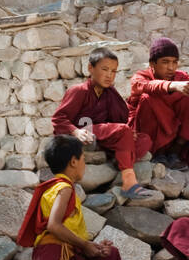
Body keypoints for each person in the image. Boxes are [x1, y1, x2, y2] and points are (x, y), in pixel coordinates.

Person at [51, 46, 153, 200]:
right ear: (90, 68)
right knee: (124, 132)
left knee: (145, 140)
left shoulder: (109, 93)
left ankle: (118, 157)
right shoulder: (79, 91)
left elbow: (120, 119)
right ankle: (129, 182)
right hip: (84, 133)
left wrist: (126, 133)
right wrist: (75, 131)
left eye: (113, 71)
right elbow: (58, 118)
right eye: (105, 69)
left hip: (103, 136)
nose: (109, 76)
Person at [127, 37, 189, 169]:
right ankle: (157, 153)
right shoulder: (141, 76)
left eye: (174, 62)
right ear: (152, 64)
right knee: (148, 98)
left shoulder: (181, 76)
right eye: (165, 62)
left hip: (176, 137)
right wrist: (172, 85)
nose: (171, 68)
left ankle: (175, 152)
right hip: (147, 134)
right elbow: (146, 86)